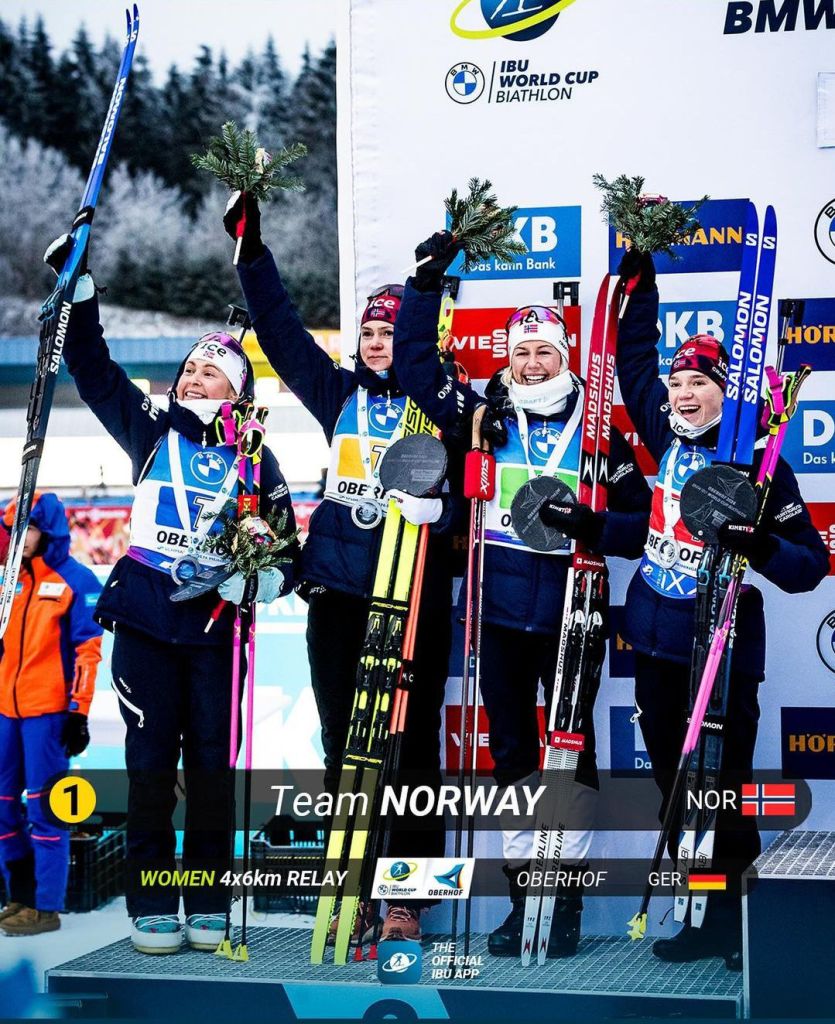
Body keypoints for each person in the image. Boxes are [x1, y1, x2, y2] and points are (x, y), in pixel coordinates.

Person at [393, 231, 652, 957]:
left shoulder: (598, 427)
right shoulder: (482, 419)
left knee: (570, 752)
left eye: (543, 351)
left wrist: (593, 523)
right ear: (503, 358)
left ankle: (561, 899)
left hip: (575, 606)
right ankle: (519, 899)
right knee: (509, 751)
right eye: (519, 351)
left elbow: (641, 528)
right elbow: (415, 366)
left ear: (564, 355)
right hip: (498, 610)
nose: (529, 362)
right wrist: (424, 285)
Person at [224, 193, 464, 943]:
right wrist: (253, 253)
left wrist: (443, 517)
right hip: (338, 594)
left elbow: (471, 495)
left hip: (415, 591)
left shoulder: (444, 401)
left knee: (413, 752)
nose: (374, 343)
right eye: (366, 332)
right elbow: (282, 334)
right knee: (344, 751)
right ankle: (352, 893)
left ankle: (409, 902)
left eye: (388, 332)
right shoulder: (338, 396)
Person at [49, 238, 300, 955]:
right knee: (151, 769)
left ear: (237, 391)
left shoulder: (257, 459)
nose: (194, 378)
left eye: (210, 373)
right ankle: (154, 901)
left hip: (218, 628)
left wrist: (257, 576)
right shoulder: (152, 435)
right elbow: (94, 372)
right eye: (189, 369)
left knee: (213, 774)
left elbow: (288, 551)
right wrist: (83, 296)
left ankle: (211, 898)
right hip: (148, 621)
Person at [615, 248, 829, 969]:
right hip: (655, 640)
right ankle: (700, 913)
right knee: (675, 790)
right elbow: (630, 361)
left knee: (723, 789)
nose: (678, 393)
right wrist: (638, 275)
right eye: (675, 382)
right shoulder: (659, 434)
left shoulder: (759, 464)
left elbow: (809, 567)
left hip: (724, 647)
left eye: (695, 383)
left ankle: (736, 916)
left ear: (723, 392)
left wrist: (757, 539)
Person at [0, 491, 103, 936]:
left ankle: (46, 907)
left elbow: (88, 650)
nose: (22, 538)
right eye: (15, 529)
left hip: (47, 714)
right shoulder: (8, 582)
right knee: (2, 808)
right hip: (5, 710)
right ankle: (19, 896)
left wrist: (78, 712)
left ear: (50, 530)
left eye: (31, 528)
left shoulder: (75, 580)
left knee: (46, 811)